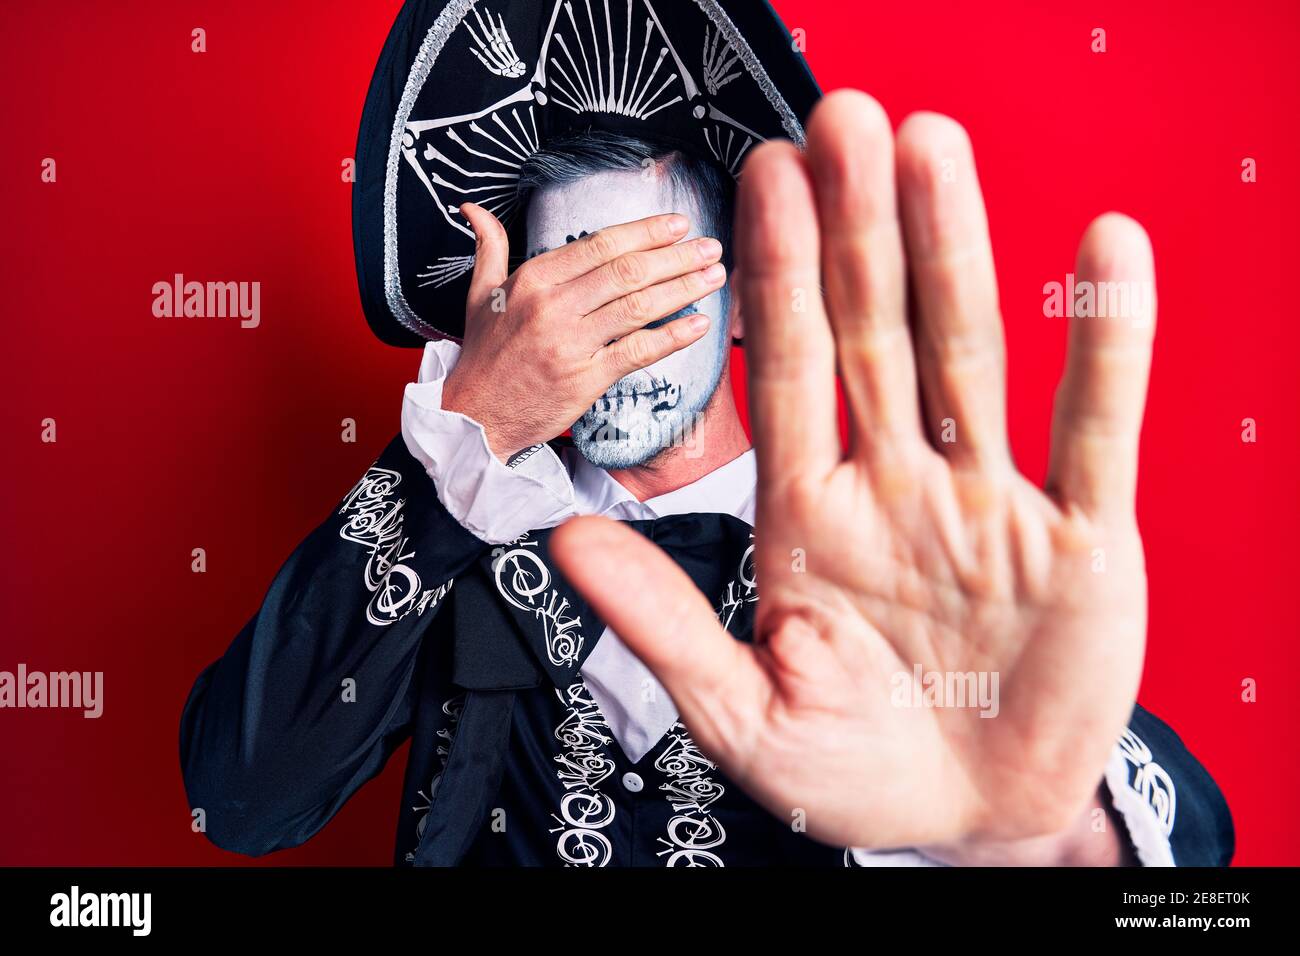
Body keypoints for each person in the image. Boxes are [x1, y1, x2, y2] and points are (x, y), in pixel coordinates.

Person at [180, 0, 1232, 867]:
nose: (605, 335)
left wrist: (1046, 833)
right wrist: (458, 442)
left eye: (647, 280)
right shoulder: (460, 542)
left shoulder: (887, 565)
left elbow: (1199, 855)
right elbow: (241, 791)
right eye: (565, 287)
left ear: (741, 302)